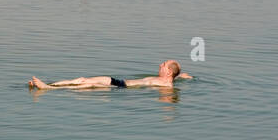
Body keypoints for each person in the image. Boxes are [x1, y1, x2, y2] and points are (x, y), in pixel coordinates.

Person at [28, 59, 192, 90]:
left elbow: (169, 88)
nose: (159, 65)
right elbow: (173, 78)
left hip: (121, 89)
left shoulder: (166, 85)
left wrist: (176, 78)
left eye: (163, 65)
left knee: (89, 85)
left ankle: (47, 89)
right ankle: (50, 84)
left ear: (168, 71)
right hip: (118, 81)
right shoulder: (169, 78)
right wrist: (181, 75)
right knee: (81, 79)